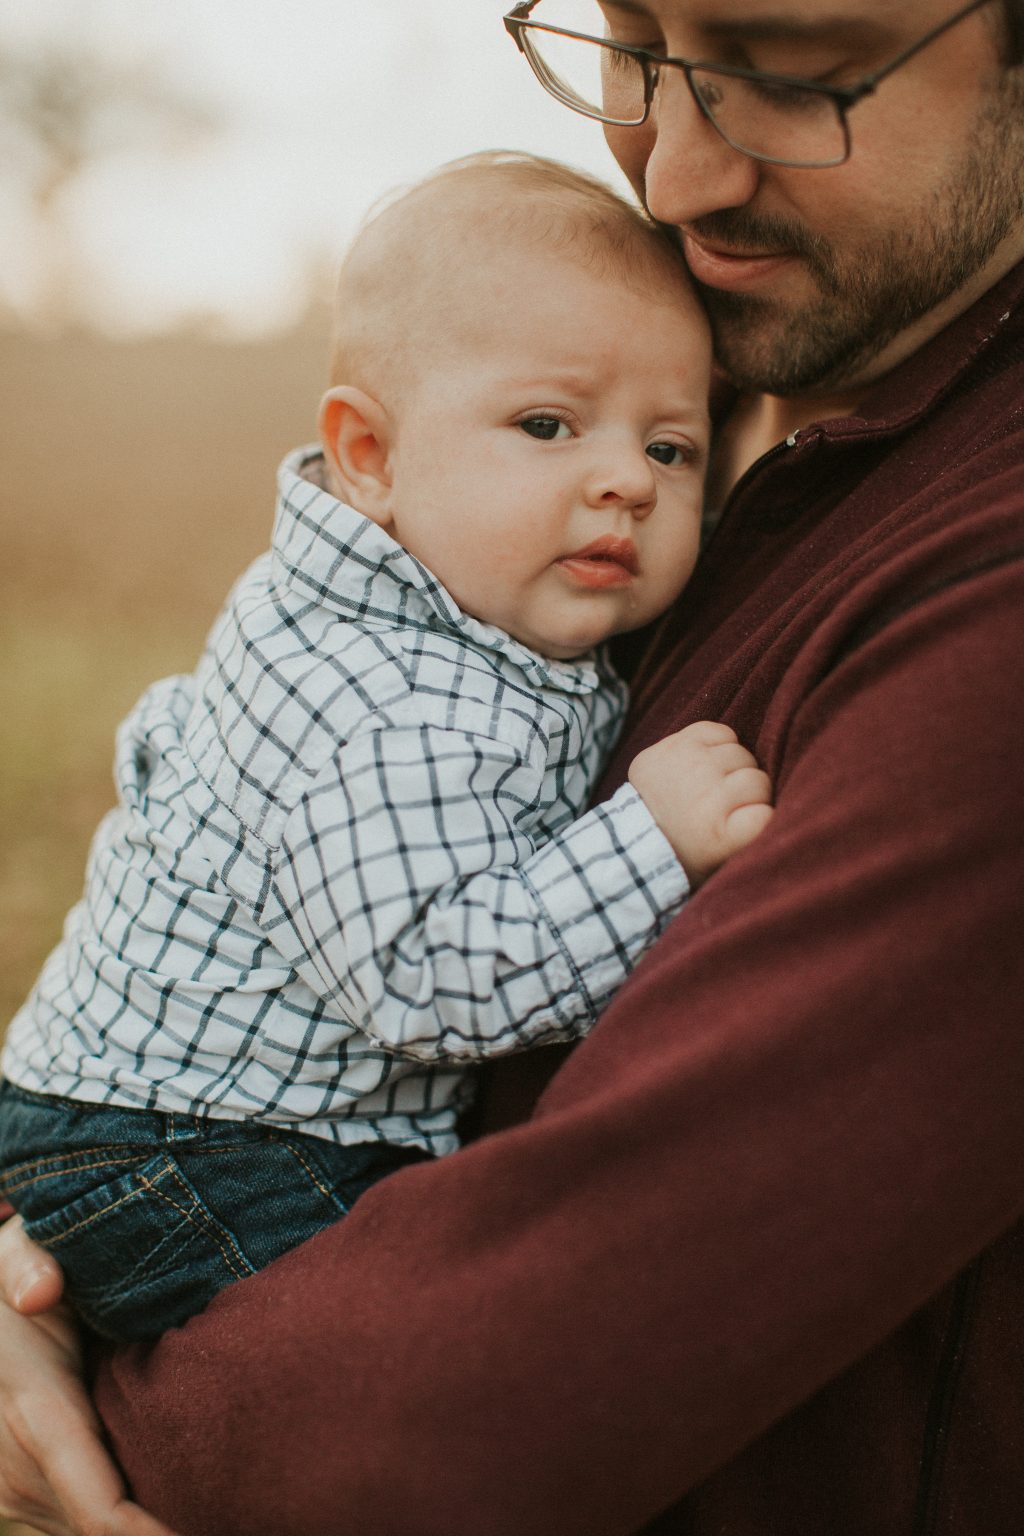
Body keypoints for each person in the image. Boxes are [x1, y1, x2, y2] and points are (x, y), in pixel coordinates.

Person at [1, 0, 1023, 1530]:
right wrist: (49, 1283)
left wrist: (96, 1396)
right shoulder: (480, 614)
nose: (671, 173)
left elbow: (463, 1399)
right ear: (367, 452)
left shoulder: (981, 602)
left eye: (780, 69)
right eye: (634, 47)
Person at [0, 152, 772, 1344]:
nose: (626, 479)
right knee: (435, 1344)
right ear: (369, 456)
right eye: (547, 425)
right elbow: (427, 981)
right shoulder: (383, 694)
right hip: (192, 1144)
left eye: (671, 448)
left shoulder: (455, 599)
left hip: (165, 1122)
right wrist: (651, 843)